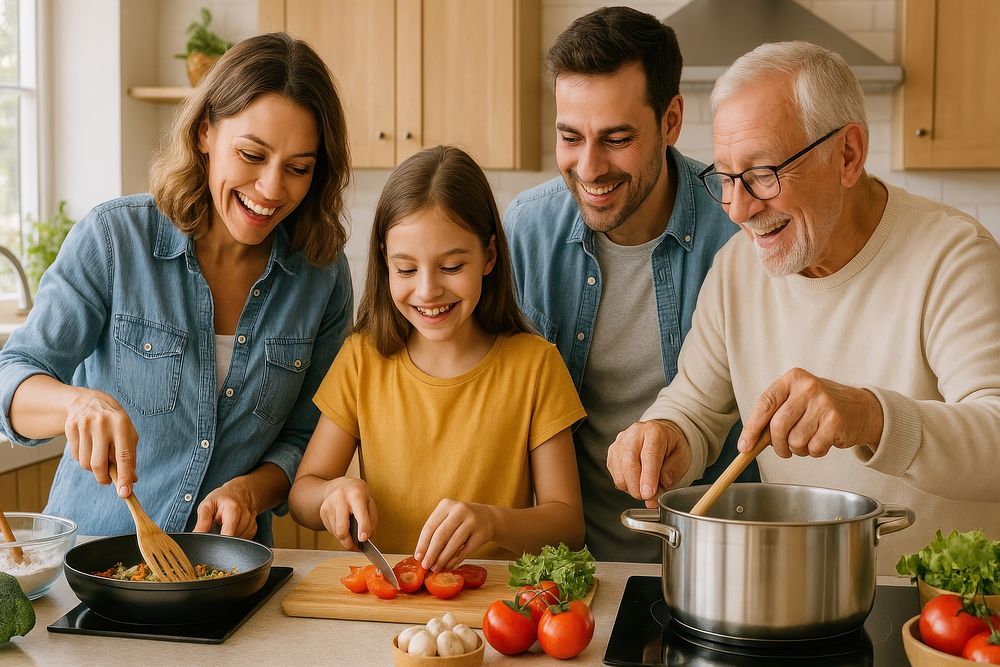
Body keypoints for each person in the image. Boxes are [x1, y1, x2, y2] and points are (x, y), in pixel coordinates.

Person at [609, 40, 1000, 573]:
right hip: (802, 595)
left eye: (764, 173)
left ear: (848, 155)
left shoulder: (952, 256)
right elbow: (695, 407)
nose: (739, 208)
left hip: (938, 610)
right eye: (725, 177)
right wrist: (664, 435)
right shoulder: (736, 270)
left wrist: (872, 416)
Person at [0, 33, 354, 545]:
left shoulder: (321, 275)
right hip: (90, 562)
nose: (273, 189)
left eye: (298, 168)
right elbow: (12, 377)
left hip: (225, 576)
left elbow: (305, 437)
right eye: (252, 155)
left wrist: (251, 492)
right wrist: (76, 404)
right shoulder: (116, 240)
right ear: (205, 131)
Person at [503, 6, 758, 563]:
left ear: (671, 122)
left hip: (723, 563)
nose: (589, 168)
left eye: (616, 139)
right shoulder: (526, 231)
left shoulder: (740, 230)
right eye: (570, 137)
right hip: (573, 569)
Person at [289, 145, 586, 572]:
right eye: (406, 270)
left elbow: (568, 524)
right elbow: (303, 495)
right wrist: (331, 494)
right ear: (384, 262)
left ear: (488, 256)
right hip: (390, 605)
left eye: (450, 266)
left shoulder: (536, 366)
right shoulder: (361, 359)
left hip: (491, 609)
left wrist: (493, 522)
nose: (428, 291)